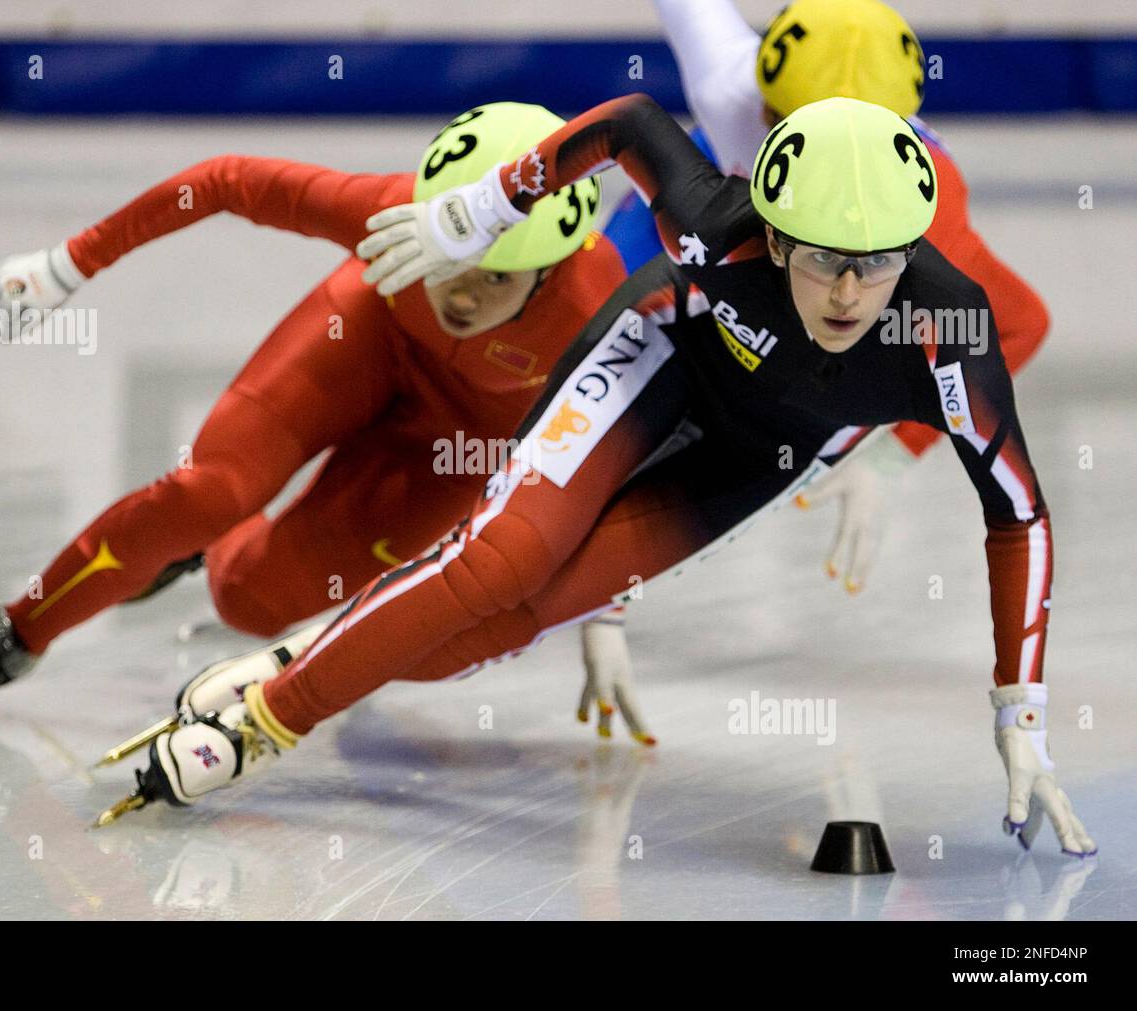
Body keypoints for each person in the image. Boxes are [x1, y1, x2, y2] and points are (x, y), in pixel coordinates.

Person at [138, 93, 1094, 859]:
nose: (847, 293)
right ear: (773, 231)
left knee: (497, 628)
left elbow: (1020, 516)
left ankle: (299, 649)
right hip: (656, 356)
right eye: (817, 260)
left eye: (875, 264)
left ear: (914, 249)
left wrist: (1020, 707)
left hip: (751, 452)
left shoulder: (947, 336)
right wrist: (480, 211)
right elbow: (626, 123)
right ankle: (266, 719)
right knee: (502, 560)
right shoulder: (720, 230)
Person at [0, 103, 655, 745]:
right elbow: (224, 182)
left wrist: (604, 615)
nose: (462, 294)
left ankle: (206, 552)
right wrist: (69, 263)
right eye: (451, 256)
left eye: (498, 278)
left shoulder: (596, 311)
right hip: (362, 341)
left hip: (457, 450)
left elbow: (612, 464)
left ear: (554, 269)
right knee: (208, 492)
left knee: (249, 602)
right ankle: (11, 637)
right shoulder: (391, 214)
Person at [603, 0, 1051, 594]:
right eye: (796, 134)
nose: (822, 169)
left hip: (753, 224)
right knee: (591, 302)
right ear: (760, 105)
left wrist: (888, 452)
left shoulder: (929, 207)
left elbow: (1018, 322)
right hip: (720, 197)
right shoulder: (727, 86)